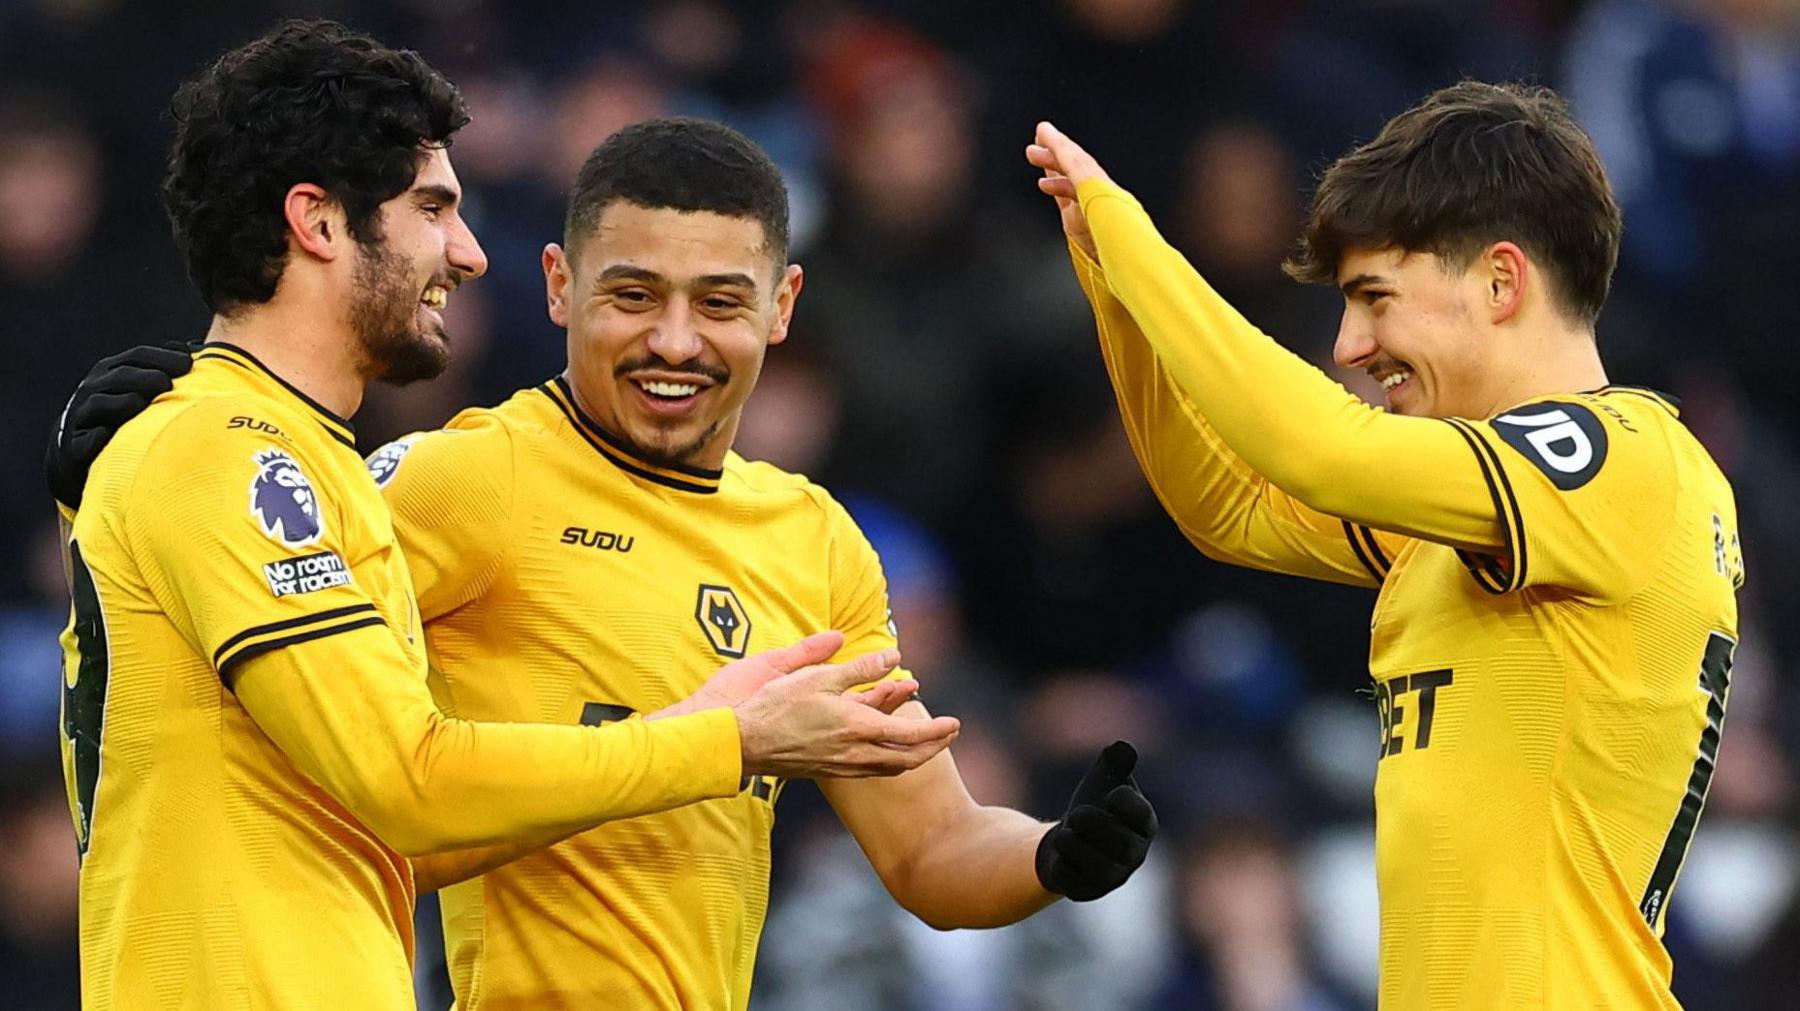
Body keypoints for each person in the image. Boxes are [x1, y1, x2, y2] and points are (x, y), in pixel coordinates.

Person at [51, 113, 1158, 1008]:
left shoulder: (817, 543)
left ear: (782, 308)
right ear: (556, 287)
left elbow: (932, 851)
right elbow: (283, 748)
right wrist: (133, 471)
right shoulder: (463, 479)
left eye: (720, 302)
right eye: (632, 295)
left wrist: (1049, 858)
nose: (674, 341)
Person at [1026, 82, 1742, 1009]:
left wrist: (1139, 242)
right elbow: (1229, 507)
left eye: (1374, 299)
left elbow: (1322, 450)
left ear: (1500, 281)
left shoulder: (1621, 463)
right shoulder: (1485, 509)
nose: (1350, 345)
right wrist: (1113, 287)